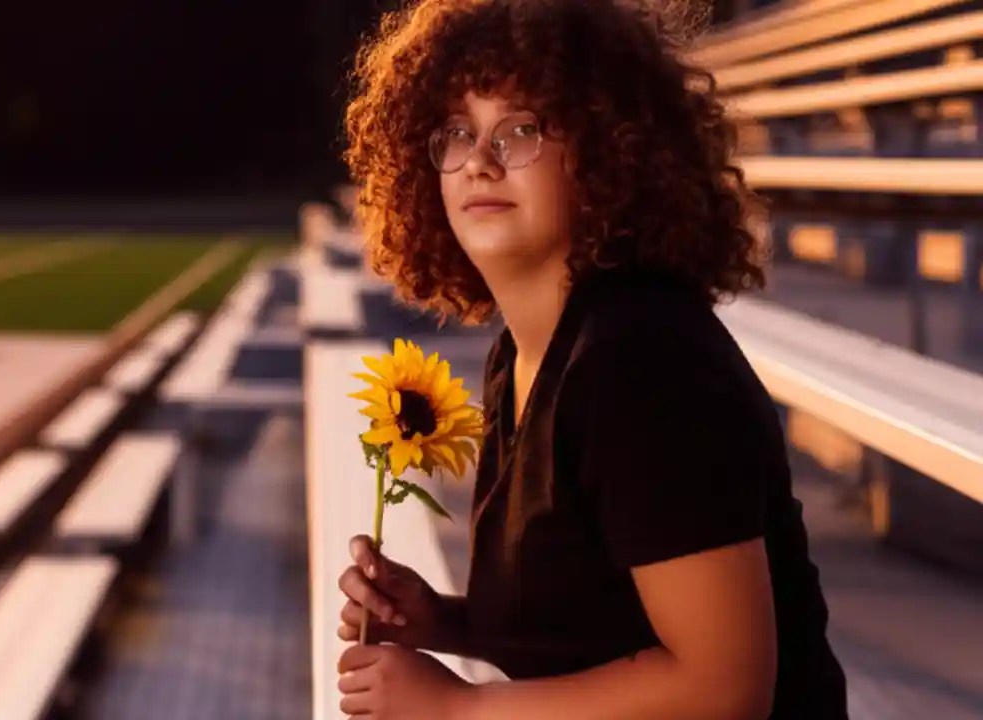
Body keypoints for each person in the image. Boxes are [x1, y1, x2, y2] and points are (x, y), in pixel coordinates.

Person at [334, 0, 850, 717]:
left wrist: (458, 710)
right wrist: (444, 622)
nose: (479, 161)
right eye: (455, 132)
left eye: (520, 130)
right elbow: (593, 623)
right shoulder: (524, 353)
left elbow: (724, 688)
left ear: (610, 149)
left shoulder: (642, 361)